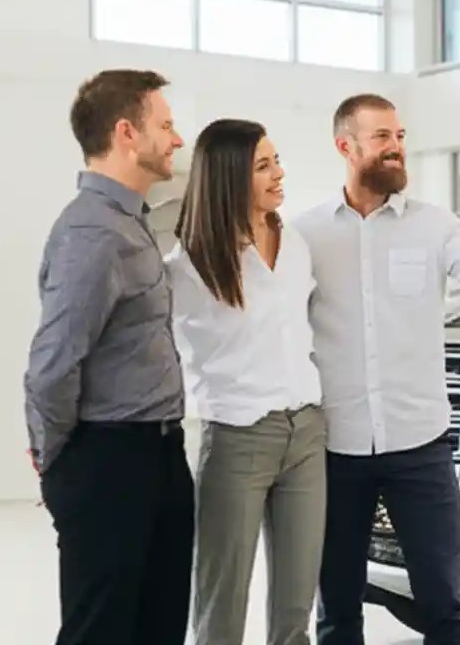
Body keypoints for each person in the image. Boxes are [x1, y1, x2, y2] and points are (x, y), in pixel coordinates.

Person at [293, 93, 460, 645]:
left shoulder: (435, 226)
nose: (397, 148)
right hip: (337, 448)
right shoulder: (305, 235)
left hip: (420, 447)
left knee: (444, 603)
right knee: (337, 607)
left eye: (400, 137)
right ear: (346, 146)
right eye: (382, 138)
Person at [23, 69, 192, 645]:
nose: (176, 138)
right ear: (127, 133)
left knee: (158, 626)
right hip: (111, 461)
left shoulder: (132, 220)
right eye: (165, 125)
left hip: (160, 452)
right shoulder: (92, 231)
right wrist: (60, 466)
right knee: (102, 631)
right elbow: (53, 364)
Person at [164, 118, 326, 645]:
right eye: (263, 165)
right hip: (237, 437)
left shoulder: (295, 242)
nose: (280, 174)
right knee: (221, 606)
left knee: (295, 609)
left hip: (305, 433)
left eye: (277, 161)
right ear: (230, 176)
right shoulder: (188, 262)